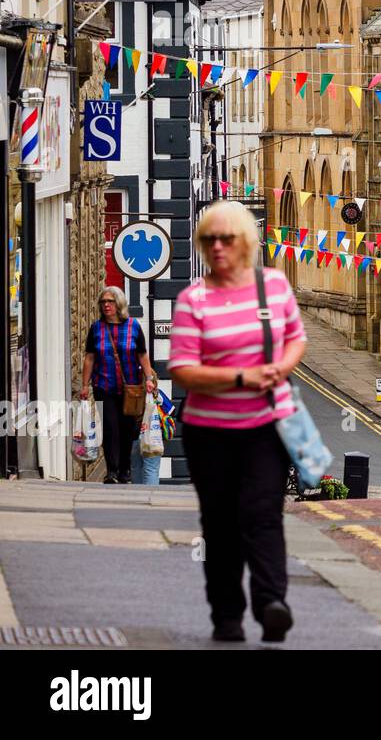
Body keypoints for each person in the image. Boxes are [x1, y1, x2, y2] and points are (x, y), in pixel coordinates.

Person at [169, 201, 307, 643]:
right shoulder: (194, 300)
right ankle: (226, 615)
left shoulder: (274, 287)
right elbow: (184, 370)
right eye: (209, 239)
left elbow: (295, 339)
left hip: (268, 427)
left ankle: (272, 604)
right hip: (210, 433)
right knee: (220, 522)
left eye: (226, 238)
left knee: (264, 514)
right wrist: (241, 376)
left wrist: (281, 368)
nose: (217, 247)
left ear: (245, 242)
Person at [81, 287, 158, 484]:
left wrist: (149, 379)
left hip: (130, 389)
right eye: (103, 302)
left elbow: (142, 354)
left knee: (127, 430)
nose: (106, 305)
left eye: (110, 301)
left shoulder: (133, 327)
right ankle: (112, 472)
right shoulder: (96, 328)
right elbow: (89, 357)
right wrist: (84, 385)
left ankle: (126, 470)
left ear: (119, 304)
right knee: (109, 429)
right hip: (103, 386)